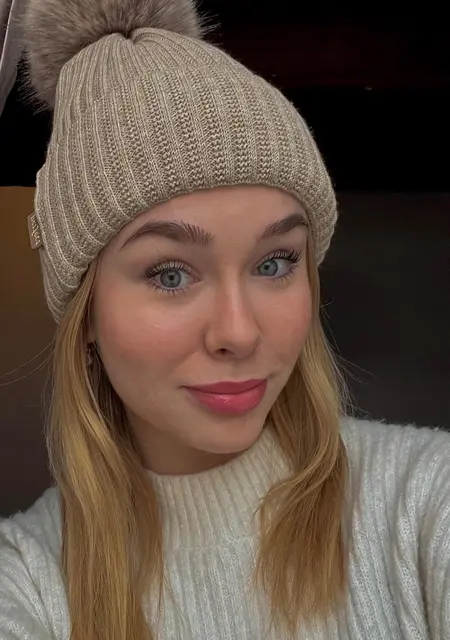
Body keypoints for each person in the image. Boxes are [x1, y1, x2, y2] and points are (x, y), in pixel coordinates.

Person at [1, 0, 449, 638]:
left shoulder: (426, 500)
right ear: (87, 311)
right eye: (170, 274)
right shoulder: (27, 579)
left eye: (274, 263)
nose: (239, 334)